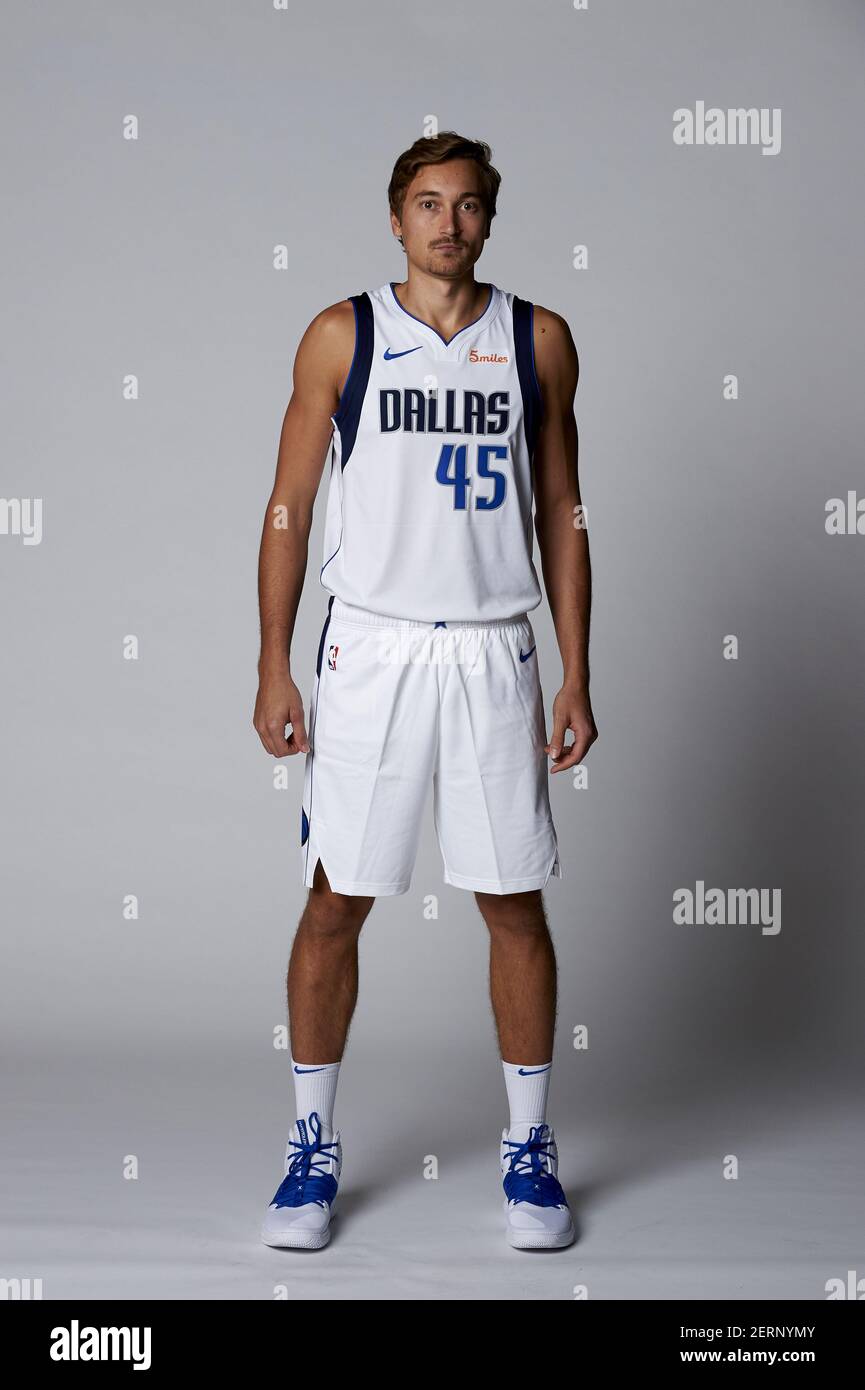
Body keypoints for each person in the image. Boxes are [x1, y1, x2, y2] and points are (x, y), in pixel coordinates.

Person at [254, 132, 597, 1251]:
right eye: (426, 204)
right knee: (334, 898)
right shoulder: (341, 335)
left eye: (467, 205)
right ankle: (310, 1153)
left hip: (495, 647)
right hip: (374, 647)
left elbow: (561, 513)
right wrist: (274, 659)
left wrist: (576, 670)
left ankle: (529, 1156)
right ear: (394, 219)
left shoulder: (537, 339)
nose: (447, 223)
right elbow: (289, 506)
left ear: (491, 219)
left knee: (512, 899)